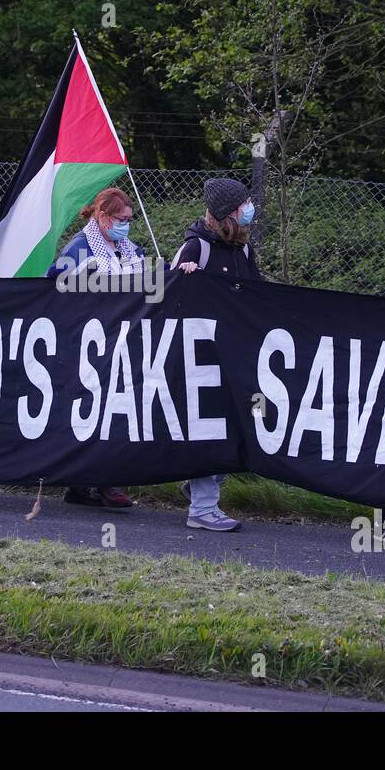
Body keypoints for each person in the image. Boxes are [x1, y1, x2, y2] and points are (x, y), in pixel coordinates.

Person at [171, 177, 262, 531]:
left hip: (236, 354)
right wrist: (182, 277)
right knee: (213, 428)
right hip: (201, 360)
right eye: (244, 206)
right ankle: (203, 509)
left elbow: (258, 295)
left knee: (248, 423)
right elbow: (165, 293)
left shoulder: (243, 251)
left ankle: (198, 483)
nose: (250, 210)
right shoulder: (195, 249)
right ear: (228, 213)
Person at [46, 187, 145, 510]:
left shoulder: (132, 251)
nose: (126, 225)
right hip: (87, 343)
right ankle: (86, 481)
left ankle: (104, 479)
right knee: (91, 412)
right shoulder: (78, 250)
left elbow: (151, 284)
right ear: (102, 216)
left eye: (130, 220)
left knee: (117, 411)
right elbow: (53, 290)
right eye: (121, 219)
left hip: (123, 342)